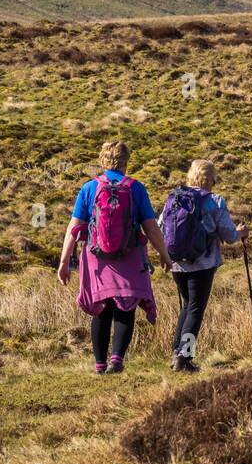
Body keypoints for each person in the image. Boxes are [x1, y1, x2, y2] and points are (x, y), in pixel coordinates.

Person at [57, 141, 172, 374]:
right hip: (129, 256)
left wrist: (64, 261)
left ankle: (100, 364)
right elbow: (151, 227)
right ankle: (116, 359)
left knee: (102, 309)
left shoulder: (89, 188)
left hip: (96, 258)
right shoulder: (136, 188)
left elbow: (74, 227)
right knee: (126, 306)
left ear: (102, 160)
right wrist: (164, 254)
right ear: (125, 162)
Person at [164, 159, 249, 373]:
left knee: (187, 305)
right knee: (196, 309)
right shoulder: (215, 201)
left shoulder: (174, 198)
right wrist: (241, 232)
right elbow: (229, 236)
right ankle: (185, 358)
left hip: (177, 263)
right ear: (211, 178)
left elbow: (160, 227)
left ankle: (177, 352)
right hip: (203, 264)